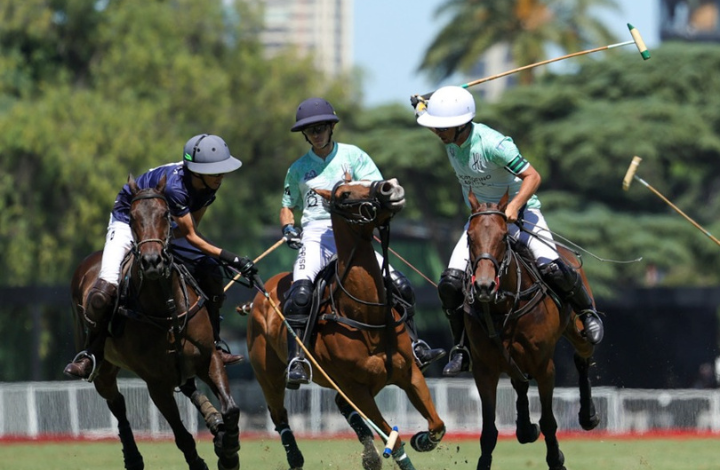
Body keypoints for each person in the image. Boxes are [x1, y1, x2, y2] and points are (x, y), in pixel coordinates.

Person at [414, 85, 604, 377]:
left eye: (442, 127)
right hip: (482, 220)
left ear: (461, 124)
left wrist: (515, 205)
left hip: (521, 212)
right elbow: (430, 118)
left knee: (553, 268)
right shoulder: (449, 135)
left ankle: (587, 314)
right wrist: (420, 106)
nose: (437, 132)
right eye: (436, 126)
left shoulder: (494, 143)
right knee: (450, 283)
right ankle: (461, 348)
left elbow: (532, 175)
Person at [64, 135, 254, 381]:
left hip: (162, 225)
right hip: (128, 220)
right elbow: (193, 236)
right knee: (104, 289)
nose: (221, 176)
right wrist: (232, 258)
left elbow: (191, 226)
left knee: (211, 270)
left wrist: (214, 258)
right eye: (215, 171)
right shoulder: (176, 188)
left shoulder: (208, 187)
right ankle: (90, 354)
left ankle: (214, 345)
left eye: (222, 170)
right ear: (196, 171)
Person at [279, 97, 440, 387]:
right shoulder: (297, 169)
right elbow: (288, 204)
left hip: (352, 233)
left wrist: (366, 190)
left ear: (331, 127)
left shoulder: (354, 156)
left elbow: (378, 190)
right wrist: (288, 227)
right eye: (310, 130)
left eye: (320, 128)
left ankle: (416, 346)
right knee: (300, 293)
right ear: (305, 134)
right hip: (316, 233)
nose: (316, 134)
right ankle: (298, 359)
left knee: (401, 285)